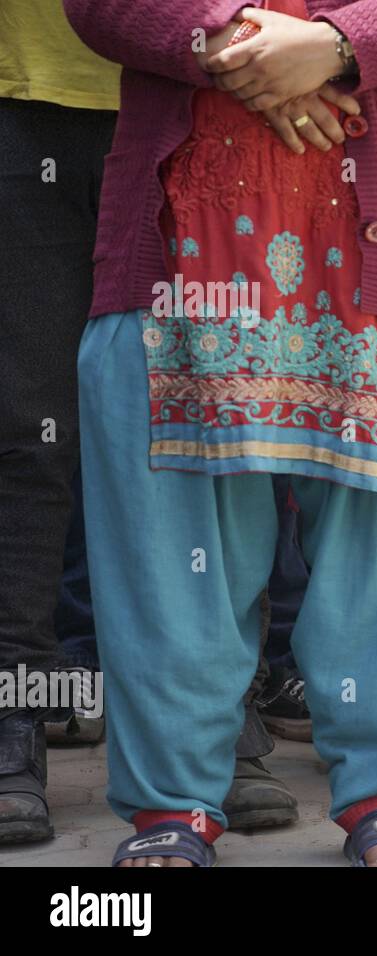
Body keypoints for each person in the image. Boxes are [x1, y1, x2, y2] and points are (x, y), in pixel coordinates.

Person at [64, 0, 377, 866]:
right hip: (185, 247)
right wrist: (239, 45)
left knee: (372, 527)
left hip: (374, 247)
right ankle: (173, 804)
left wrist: (333, 47)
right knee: (173, 538)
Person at [0, 0, 120, 846]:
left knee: (204, 432)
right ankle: (16, 723)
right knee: (29, 436)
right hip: (22, 94)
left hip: (199, 99)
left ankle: (212, 729)